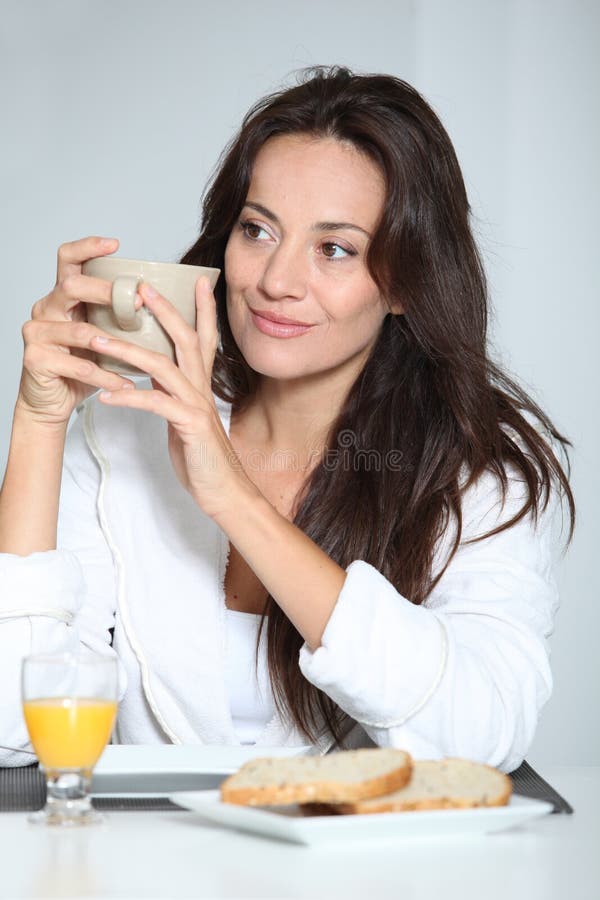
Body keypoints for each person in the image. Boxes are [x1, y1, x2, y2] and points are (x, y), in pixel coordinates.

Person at [0, 66, 574, 771]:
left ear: (405, 283)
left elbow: (482, 735)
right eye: (258, 230)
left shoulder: (477, 472)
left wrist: (233, 499)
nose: (275, 281)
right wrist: (38, 420)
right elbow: (14, 730)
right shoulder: (126, 429)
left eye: (335, 249)